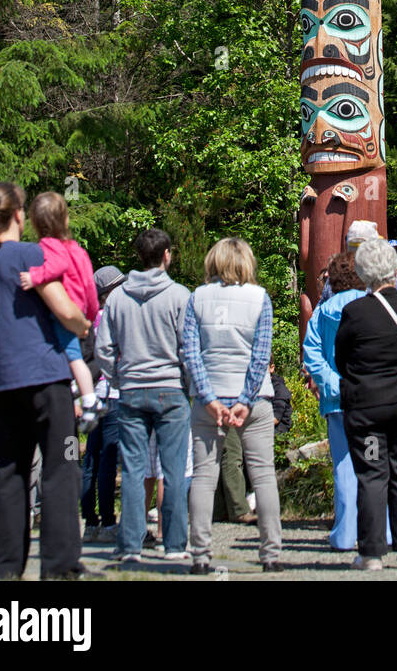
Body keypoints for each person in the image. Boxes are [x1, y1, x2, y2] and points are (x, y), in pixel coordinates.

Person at [0, 181, 90, 580]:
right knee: (64, 467)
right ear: (19, 214)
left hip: (1, 384)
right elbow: (66, 311)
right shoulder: (31, 254)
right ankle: (59, 568)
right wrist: (84, 323)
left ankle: (4, 569)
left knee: (11, 473)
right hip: (47, 381)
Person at [184, 237, 283, 573]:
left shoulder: (196, 297)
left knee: (203, 476)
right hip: (253, 400)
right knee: (264, 475)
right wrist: (245, 399)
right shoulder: (260, 299)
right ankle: (270, 553)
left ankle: (199, 553)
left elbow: (190, 353)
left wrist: (209, 398)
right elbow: (261, 355)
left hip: (209, 399)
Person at [335, 238, 397, 571]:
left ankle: (372, 552)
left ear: (363, 272)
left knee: (373, 474)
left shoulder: (354, 312)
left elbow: (342, 360)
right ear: (395, 268)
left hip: (370, 414)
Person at [95, 228, 191, 564]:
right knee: (173, 468)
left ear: (139, 257)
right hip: (170, 390)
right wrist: (188, 382)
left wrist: (118, 377)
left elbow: (104, 348)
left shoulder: (118, 299)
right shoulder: (180, 296)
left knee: (134, 469)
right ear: (167, 255)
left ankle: (130, 546)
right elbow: (189, 348)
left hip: (132, 390)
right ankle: (175, 545)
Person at [18, 191, 100, 430]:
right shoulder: (76, 249)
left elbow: (58, 266)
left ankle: (87, 400)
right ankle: (81, 394)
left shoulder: (47, 246)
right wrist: (90, 319)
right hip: (81, 313)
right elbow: (89, 286)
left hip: (65, 312)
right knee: (77, 357)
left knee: (72, 358)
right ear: (65, 220)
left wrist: (35, 276)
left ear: (33, 222)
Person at [302, 251, 366, 549]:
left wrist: (330, 382)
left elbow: (311, 351)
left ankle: (344, 533)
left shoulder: (324, 309)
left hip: (337, 400)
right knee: (374, 462)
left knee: (343, 465)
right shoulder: (371, 306)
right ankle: (382, 530)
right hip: (368, 399)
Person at [81, 265, 126, 543]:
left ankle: (89, 521)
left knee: (89, 460)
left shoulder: (88, 320)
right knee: (109, 459)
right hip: (112, 395)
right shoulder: (118, 317)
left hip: (89, 396)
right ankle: (109, 522)